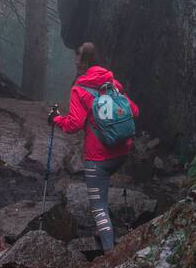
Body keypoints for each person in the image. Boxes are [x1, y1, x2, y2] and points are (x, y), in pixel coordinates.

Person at [47, 42, 139, 255]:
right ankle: (102, 233)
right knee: (103, 197)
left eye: (76, 58)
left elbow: (74, 124)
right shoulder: (112, 83)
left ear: (81, 61)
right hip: (122, 152)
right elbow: (133, 110)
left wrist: (56, 119)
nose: (74, 61)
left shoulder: (79, 89)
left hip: (98, 158)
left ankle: (109, 254)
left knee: (99, 206)